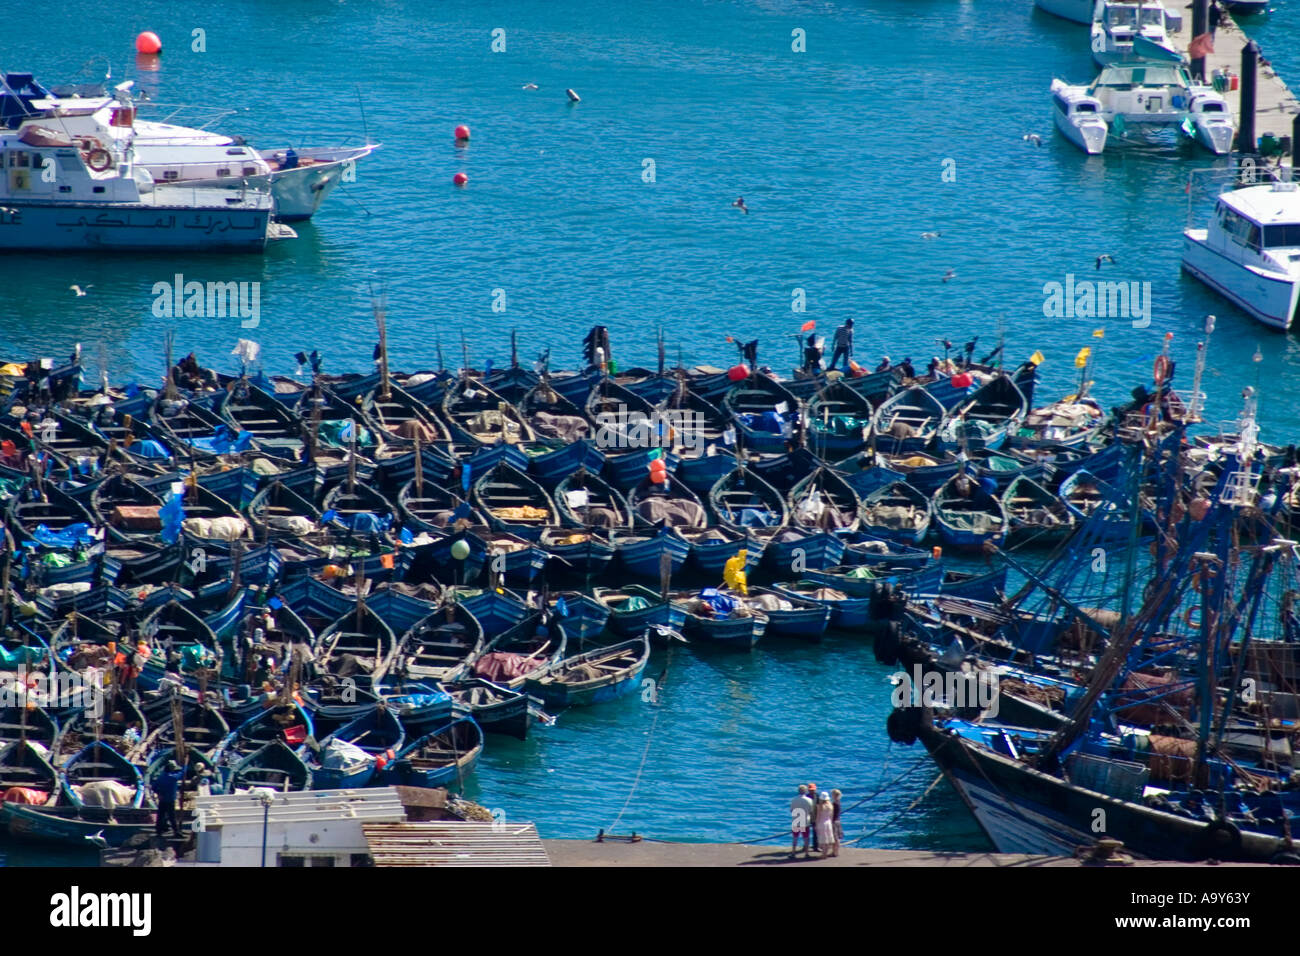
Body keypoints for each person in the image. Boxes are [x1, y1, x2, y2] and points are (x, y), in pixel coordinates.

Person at [153, 760, 186, 839]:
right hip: (170, 800)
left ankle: (159, 831)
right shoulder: (172, 777)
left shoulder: (161, 777)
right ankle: (176, 832)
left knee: (160, 816)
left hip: (162, 799)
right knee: (172, 817)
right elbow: (182, 773)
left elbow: (154, 787)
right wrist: (185, 765)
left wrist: (159, 793)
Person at [790, 784, 814, 857]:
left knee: (795, 837)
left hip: (796, 820)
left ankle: (793, 852)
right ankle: (806, 853)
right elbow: (811, 811)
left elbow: (791, 810)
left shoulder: (794, 800)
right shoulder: (809, 800)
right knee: (806, 837)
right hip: (805, 820)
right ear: (805, 791)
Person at [815, 791, 835, 859]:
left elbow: (818, 816)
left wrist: (816, 825)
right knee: (828, 839)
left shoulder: (820, 806)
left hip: (822, 823)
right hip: (828, 822)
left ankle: (823, 854)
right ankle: (825, 853)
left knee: (823, 840)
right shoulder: (831, 806)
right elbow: (831, 816)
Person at [830, 789, 843, 857]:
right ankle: (836, 851)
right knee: (837, 837)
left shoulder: (834, 804)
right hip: (838, 820)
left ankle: (835, 852)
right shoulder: (839, 802)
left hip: (834, 821)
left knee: (835, 838)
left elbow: (832, 813)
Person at [807, 782, 819, 851]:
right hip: (808, 817)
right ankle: (806, 846)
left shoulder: (817, 796)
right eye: (811, 790)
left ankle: (815, 846)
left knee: (815, 832)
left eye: (813, 790)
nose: (812, 791)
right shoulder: (806, 797)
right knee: (806, 832)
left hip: (815, 816)